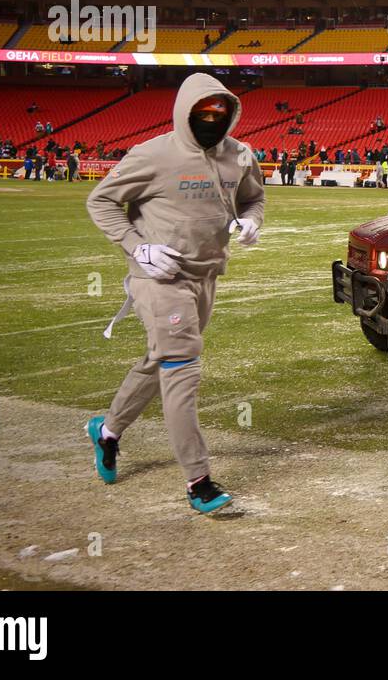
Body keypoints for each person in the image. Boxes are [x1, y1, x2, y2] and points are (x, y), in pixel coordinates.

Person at [85, 73, 265, 514]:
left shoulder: (240, 155)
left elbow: (253, 199)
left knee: (158, 361)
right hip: (159, 278)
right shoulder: (152, 155)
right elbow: (100, 201)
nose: (210, 119)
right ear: (185, 111)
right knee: (183, 367)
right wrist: (137, 246)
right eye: (202, 112)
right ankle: (198, 481)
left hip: (206, 277)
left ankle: (106, 431)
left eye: (219, 112)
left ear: (231, 112)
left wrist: (253, 220)